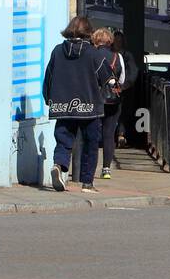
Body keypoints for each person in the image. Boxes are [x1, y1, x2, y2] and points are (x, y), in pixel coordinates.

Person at [41, 16, 117, 193]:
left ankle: (59, 165)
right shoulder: (92, 53)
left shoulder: (58, 51)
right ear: (88, 32)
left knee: (64, 139)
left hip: (62, 105)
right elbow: (107, 75)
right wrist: (112, 83)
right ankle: (87, 183)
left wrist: (48, 98)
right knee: (90, 143)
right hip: (89, 105)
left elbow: (49, 77)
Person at [93, 29, 124, 180]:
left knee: (92, 133)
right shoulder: (117, 57)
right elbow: (122, 79)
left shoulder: (91, 55)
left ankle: (89, 168)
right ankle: (106, 169)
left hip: (94, 98)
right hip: (112, 100)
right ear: (109, 41)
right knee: (109, 134)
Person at [112, 31, 138, 150]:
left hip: (123, 90)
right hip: (117, 89)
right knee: (118, 113)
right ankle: (119, 135)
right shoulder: (112, 54)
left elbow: (133, 72)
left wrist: (124, 86)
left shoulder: (126, 56)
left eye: (119, 40)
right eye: (116, 40)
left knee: (122, 113)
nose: (117, 42)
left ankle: (120, 135)